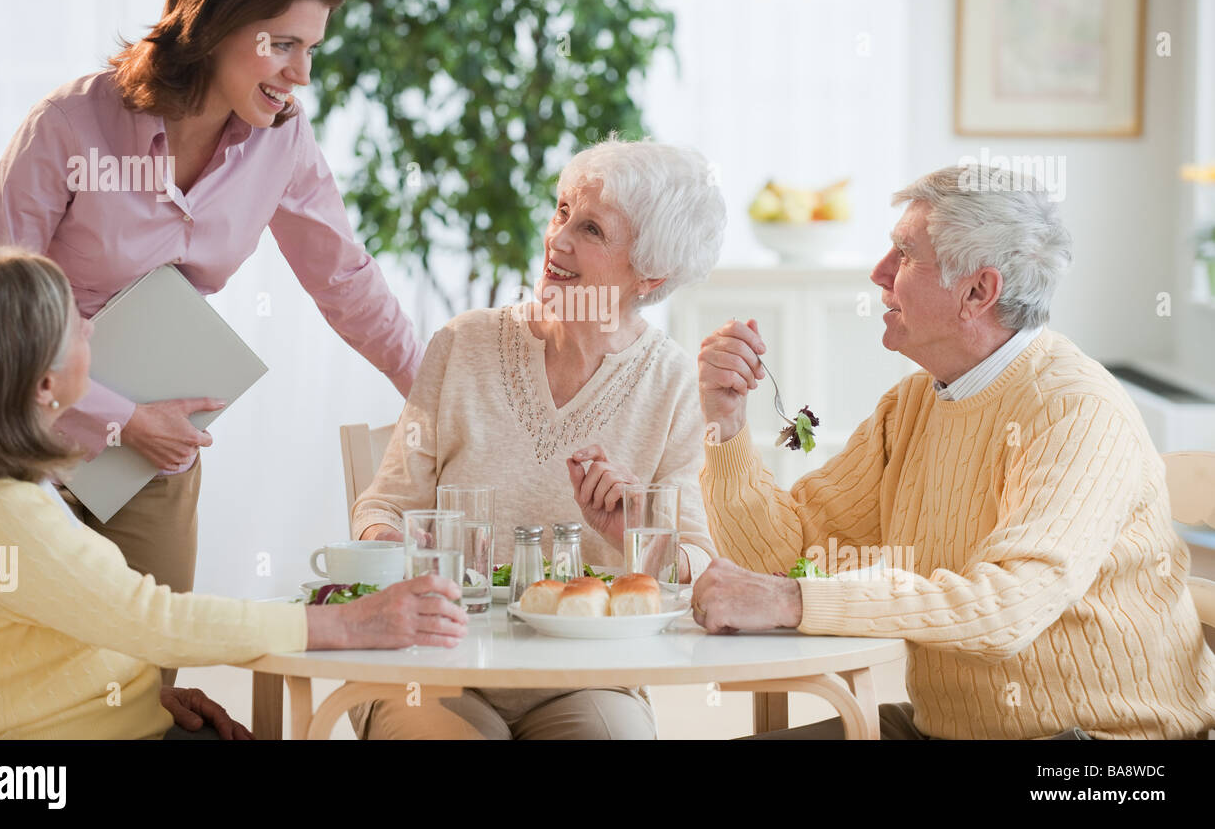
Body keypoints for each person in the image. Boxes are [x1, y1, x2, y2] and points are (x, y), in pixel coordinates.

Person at [0, 0, 422, 686]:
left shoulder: (281, 144)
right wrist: (119, 417)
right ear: (212, 25)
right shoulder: (71, 126)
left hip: (158, 449)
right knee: (34, 671)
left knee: (147, 678)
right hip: (23, 434)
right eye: (282, 44)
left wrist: (433, 387)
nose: (300, 74)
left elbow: (345, 281)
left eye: (311, 50)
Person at [693, 164, 1215, 740]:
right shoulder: (916, 403)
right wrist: (726, 423)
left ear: (977, 292)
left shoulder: (1074, 409)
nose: (879, 273)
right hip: (946, 731)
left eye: (904, 254)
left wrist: (795, 603)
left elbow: (1009, 606)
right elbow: (786, 554)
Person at [0, 246, 466, 739]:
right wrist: (346, 624)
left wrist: (137, 698)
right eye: (73, 325)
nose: (90, 330)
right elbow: (153, 620)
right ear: (42, 384)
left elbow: (19, 646)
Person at [348, 138, 726, 739]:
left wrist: (638, 536)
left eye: (593, 230)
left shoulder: (671, 380)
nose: (558, 239)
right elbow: (382, 506)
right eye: (561, 212)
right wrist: (403, 548)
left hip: (589, 677)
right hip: (437, 662)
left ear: (650, 271)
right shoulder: (462, 344)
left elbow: (699, 560)